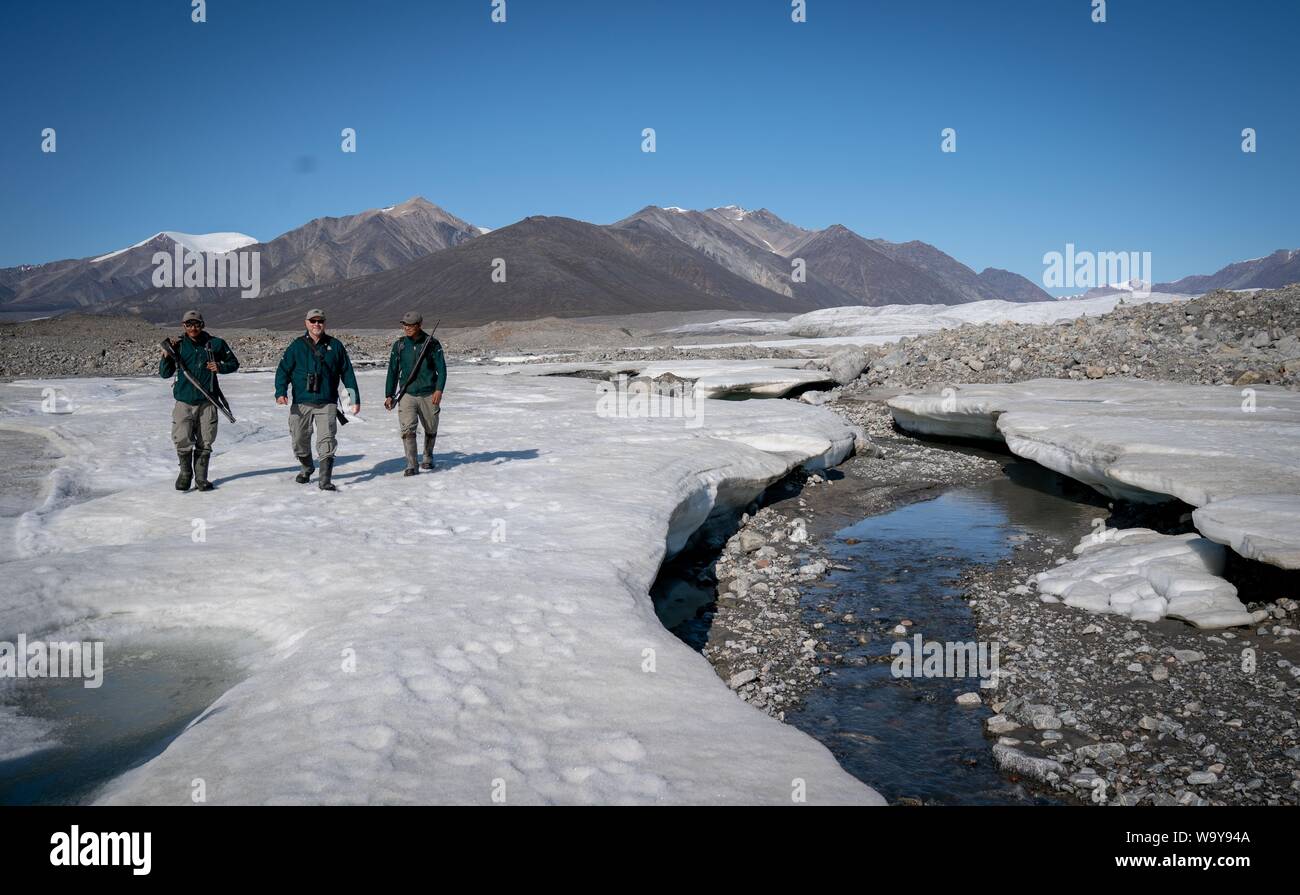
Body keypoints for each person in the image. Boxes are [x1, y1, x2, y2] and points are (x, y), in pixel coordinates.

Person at [274, 309, 360, 491]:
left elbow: (347, 373)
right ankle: (306, 467)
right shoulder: (297, 346)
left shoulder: (335, 346)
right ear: (306, 323)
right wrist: (280, 392)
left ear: (324, 323)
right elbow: (283, 370)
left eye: (320, 321)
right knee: (299, 439)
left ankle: (325, 479)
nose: (316, 324)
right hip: (301, 402)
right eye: (313, 321)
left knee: (327, 440)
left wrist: (353, 398)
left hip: (326, 401)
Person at [159, 309, 240, 492]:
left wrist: (220, 366)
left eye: (196, 324)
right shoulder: (177, 345)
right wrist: (165, 356)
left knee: (206, 440)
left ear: (202, 325)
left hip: (208, 401)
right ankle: (185, 474)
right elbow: (165, 374)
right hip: (184, 401)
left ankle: (201, 478)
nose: (193, 327)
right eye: (189, 324)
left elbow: (234, 363)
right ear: (183, 326)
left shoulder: (215, 344)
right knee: (182, 439)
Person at [384, 311, 445, 476]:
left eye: (410, 325)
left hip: (428, 393)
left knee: (431, 427)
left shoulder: (432, 344)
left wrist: (439, 389)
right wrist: (389, 394)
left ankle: (428, 456)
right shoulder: (400, 345)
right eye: (404, 325)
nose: (406, 328)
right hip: (407, 394)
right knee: (407, 429)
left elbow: (442, 369)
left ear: (419, 325)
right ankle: (411, 465)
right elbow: (393, 371)